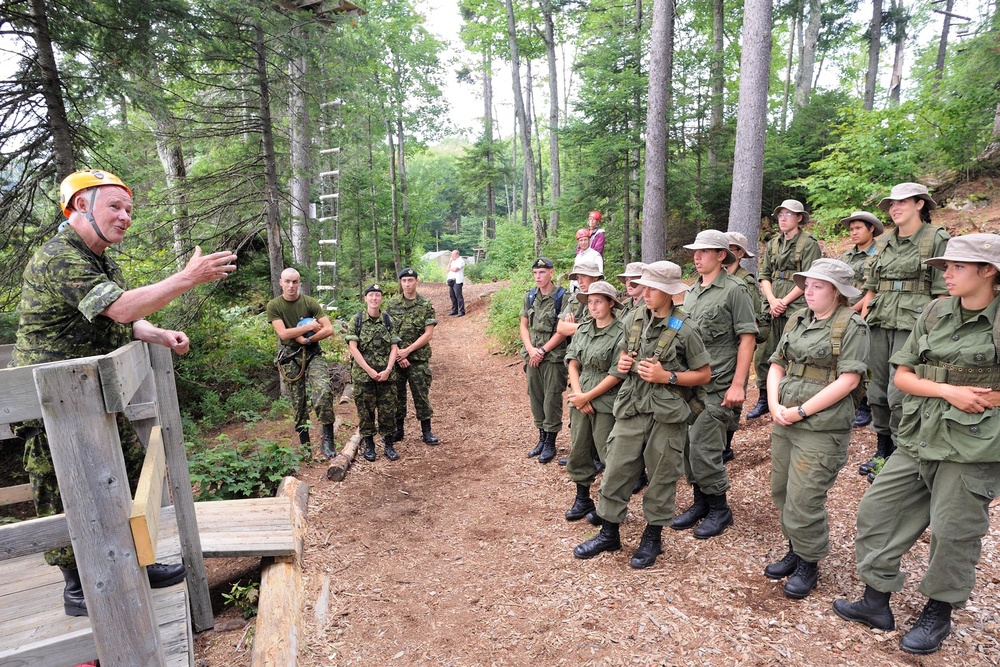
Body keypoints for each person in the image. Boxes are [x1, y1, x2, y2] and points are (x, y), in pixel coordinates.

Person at [11, 169, 238, 616]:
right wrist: (187, 278)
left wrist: (157, 334)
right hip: (49, 408)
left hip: (92, 398)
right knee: (64, 494)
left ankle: (139, 563)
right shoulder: (59, 256)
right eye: (115, 206)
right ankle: (77, 586)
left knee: (133, 479)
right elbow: (120, 307)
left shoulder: (98, 259)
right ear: (81, 206)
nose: (125, 217)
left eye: (129, 209)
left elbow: (121, 317)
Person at [833, 234, 1000, 655]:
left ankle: (938, 611)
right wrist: (948, 391)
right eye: (946, 266)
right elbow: (903, 375)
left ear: (988, 271)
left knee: (953, 531)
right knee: (879, 510)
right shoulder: (934, 311)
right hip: (920, 435)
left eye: (958, 266)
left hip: (972, 445)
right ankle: (876, 600)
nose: (947, 274)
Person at [573, 262, 711, 569]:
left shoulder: (686, 328)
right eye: (643, 287)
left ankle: (653, 537)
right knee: (616, 469)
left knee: (662, 476)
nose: (644, 293)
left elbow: (704, 374)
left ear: (669, 292)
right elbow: (624, 352)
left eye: (652, 288)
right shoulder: (634, 318)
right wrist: (624, 362)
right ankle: (609, 532)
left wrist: (668, 377)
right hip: (632, 405)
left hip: (666, 414)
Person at [763, 259, 869, 599]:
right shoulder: (798, 319)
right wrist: (774, 404)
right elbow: (777, 364)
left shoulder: (851, 325)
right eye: (807, 285)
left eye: (817, 286)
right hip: (786, 419)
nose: (808, 292)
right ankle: (795, 548)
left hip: (821, 426)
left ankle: (809, 562)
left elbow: (849, 380)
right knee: (782, 491)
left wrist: (801, 411)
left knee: (805, 498)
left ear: (836, 292)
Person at [854, 183, 950, 481]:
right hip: (879, 321)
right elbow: (871, 288)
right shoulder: (883, 242)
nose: (894, 209)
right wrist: (862, 320)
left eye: (901, 202)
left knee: (901, 393)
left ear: (920, 204)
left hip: (914, 326)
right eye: (891, 205)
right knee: (876, 390)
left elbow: (944, 293)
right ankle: (882, 449)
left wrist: (935, 335)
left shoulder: (936, 239)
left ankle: (901, 455)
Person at [671, 231, 757, 539]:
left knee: (704, 447)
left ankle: (720, 509)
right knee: (688, 446)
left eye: (705, 251)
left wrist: (739, 385)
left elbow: (747, 338)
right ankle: (701, 503)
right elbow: (681, 329)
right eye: (695, 251)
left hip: (719, 384)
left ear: (721, 255)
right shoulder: (692, 292)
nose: (697, 256)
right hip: (692, 383)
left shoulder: (735, 290)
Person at [747, 200, 822, 420]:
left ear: (799, 218)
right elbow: (765, 275)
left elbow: (809, 278)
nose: (783, 219)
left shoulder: (809, 244)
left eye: (788, 214)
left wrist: (784, 302)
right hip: (772, 307)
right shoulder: (773, 244)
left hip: (795, 306)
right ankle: (764, 398)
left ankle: (790, 397)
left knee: (793, 352)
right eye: (780, 215)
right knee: (764, 353)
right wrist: (772, 300)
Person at [563, 281, 626, 525]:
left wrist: (587, 397)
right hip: (580, 396)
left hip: (606, 401)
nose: (593, 306)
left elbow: (617, 373)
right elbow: (572, 362)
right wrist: (579, 395)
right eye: (589, 302)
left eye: (598, 301)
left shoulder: (621, 332)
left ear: (611, 303)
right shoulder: (584, 329)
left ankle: (609, 506)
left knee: (609, 453)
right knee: (579, 449)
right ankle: (582, 498)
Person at [267, 267, 337, 457]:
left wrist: (307, 339)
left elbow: (328, 329)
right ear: (280, 282)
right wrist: (309, 327)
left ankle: (328, 440)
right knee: (298, 402)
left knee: (323, 390)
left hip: (313, 352)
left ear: (299, 283)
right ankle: (305, 445)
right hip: (291, 356)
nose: (291, 285)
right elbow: (283, 334)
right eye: (287, 281)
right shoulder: (274, 306)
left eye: (295, 282)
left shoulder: (309, 302)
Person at [837, 211, 884, 429]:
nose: (853, 233)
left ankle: (866, 405)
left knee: (865, 359)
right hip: (843, 312)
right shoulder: (846, 256)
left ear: (871, 228)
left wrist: (853, 311)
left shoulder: (879, 253)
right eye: (851, 229)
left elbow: (872, 289)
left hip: (866, 313)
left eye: (858, 228)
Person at [520, 258, 569, 463]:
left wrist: (542, 350)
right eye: (535, 273)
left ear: (551, 272)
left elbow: (562, 331)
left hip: (553, 357)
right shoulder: (530, 296)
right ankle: (541, 437)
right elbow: (524, 325)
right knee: (536, 396)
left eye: (542, 272)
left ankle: (550, 442)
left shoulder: (562, 297)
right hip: (533, 355)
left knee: (552, 398)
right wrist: (531, 350)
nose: (538, 276)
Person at [345, 284, 401, 462]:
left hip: (386, 376)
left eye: (377, 295)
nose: (374, 298)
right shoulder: (357, 320)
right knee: (365, 412)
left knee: (388, 411)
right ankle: (369, 445)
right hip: (364, 376)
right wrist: (369, 370)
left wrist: (388, 369)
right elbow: (353, 348)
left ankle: (389, 444)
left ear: (381, 298)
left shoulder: (388, 321)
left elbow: (394, 347)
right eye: (371, 295)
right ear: (365, 298)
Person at [385, 267, 439, 446]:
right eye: (404, 281)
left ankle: (427, 431)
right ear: (400, 282)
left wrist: (407, 351)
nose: (407, 284)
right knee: (397, 396)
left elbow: (428, 334)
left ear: (416, 281)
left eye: (410, 280)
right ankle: (398, 430)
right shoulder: (392, 305)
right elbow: (388, 331)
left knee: (421, 395)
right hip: (397, 358)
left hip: (418, 359)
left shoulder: (425, 304)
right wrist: (399, 355)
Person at [723, 231, 762, 462]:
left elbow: (753, 319)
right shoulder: (716, 278)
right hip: (717, 345)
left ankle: (725, 446)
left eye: (731, 249)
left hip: (738, 344)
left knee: (733, 398)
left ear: (739, 254)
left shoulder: (745, 282)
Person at [446, 249, 466, 316]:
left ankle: (461, 311)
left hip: (457, 280)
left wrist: (450, 269)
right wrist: (450, 262)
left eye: (453, 254)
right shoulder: (452, 261)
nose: (452, 256)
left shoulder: (461, 261)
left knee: (458, 296)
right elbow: (447, 269)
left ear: (457, 254)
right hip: (451, 280)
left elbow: (455, 269)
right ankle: (454, 310)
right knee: (452, 296)